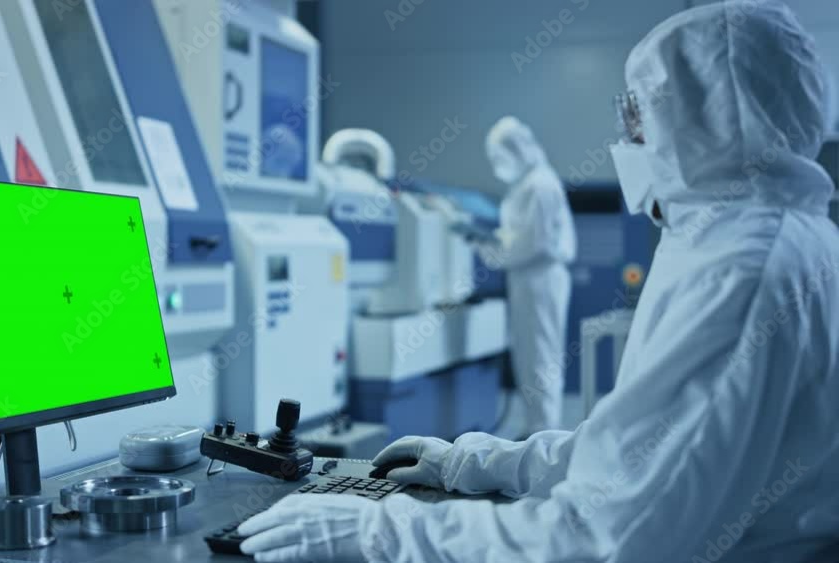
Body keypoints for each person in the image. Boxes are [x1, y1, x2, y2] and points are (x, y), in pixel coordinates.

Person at [237, 2, 839, 561]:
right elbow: (633, 452)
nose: (629, 135)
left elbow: (605, 539)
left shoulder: (741, 270)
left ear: (703, 113)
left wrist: (383, 532)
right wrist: (485, 462)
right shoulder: (754, 237)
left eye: (642, 111)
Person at [481, 115, 577, 437]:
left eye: (500, 156)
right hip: (525, 277)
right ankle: (536, 425)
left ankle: (545, 429)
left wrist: (494, 253)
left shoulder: (540, 185)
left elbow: (536, 242)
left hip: (541, 277)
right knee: (528, 354)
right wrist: (493, 244)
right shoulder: (525, 185)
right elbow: (519, 235)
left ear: (517, 149)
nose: (498, 164)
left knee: (541, 354)